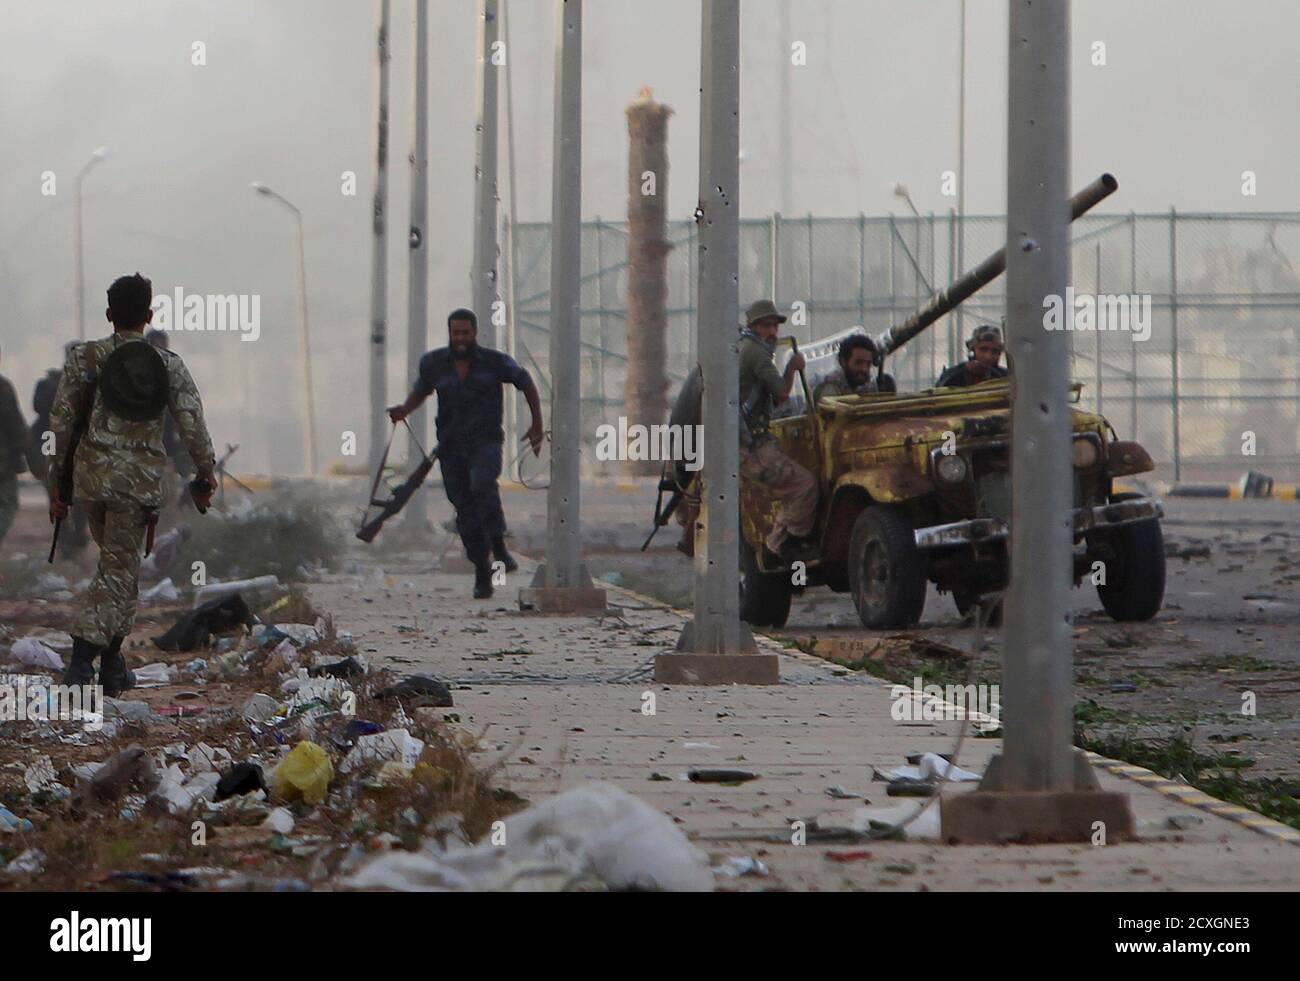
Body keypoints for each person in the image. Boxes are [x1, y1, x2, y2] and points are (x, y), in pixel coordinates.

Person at [48, 273, 216, 697]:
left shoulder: (86, 359)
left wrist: (59, 484)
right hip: (136, 485)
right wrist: (205, 473)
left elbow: (60, 424)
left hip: (91, 481)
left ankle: (112, 667)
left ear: (109, 316)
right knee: (118, 571)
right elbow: (192, 424)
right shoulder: (166, 364)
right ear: (149, 315)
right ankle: (82, 661)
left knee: (120, 569)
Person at [388, 307, 545, 599]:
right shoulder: (434, 363)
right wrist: (404, 410)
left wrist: (537, 424)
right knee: (464, 509)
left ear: (474, 334)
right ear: (450, 333)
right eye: (455, 333)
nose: (460, 338)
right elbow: (421, 391)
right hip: (450, 447)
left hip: (485, 442)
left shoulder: (494, 362)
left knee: (483, 485)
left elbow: (526, 383)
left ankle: (499, 545)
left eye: (465, 333)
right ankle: (481, 570)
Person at [738, 299, 819, 566]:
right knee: (804, 485)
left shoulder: (744, 349)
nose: (773, 332)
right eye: (766, 326)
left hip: (750, 441)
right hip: (751, 446)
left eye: (775, 326)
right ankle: (784, 546)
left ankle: (782, 544)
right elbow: (782, 394)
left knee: (793, 486)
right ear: (753, 327)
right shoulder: (755, 352)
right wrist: (793, 368)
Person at [30, 344, 90, 556]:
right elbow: (40, 407)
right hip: (52, 445)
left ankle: (77, 534)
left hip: (80, 450)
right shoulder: (50, 384)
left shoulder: (92, 383)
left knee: (82, 499)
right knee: (57, 496)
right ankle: (65, 539)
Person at [146, 329, 193, 511]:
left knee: (166, 500)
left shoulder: (172, 377)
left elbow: (183, 413)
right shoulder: (134, 376)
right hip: (140, 451)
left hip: (165, 450)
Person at [0, 344, 29, 550]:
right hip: (3, 468)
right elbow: (17, 428)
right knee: (8, 506)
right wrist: (36, 462)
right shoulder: (2, 388)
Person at [812, 332, 897, 402]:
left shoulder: (869, 387)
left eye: (868, 364)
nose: (864, 369)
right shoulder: (830, 388)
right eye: (858, 363)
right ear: (843, 362)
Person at [936, 324, 1008, 388]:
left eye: (994, 351)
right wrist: (964, 370)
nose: (988, 356)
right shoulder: (955, 373)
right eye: (983, 349)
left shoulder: (1006, 377)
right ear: (973, 349)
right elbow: (939, 389)